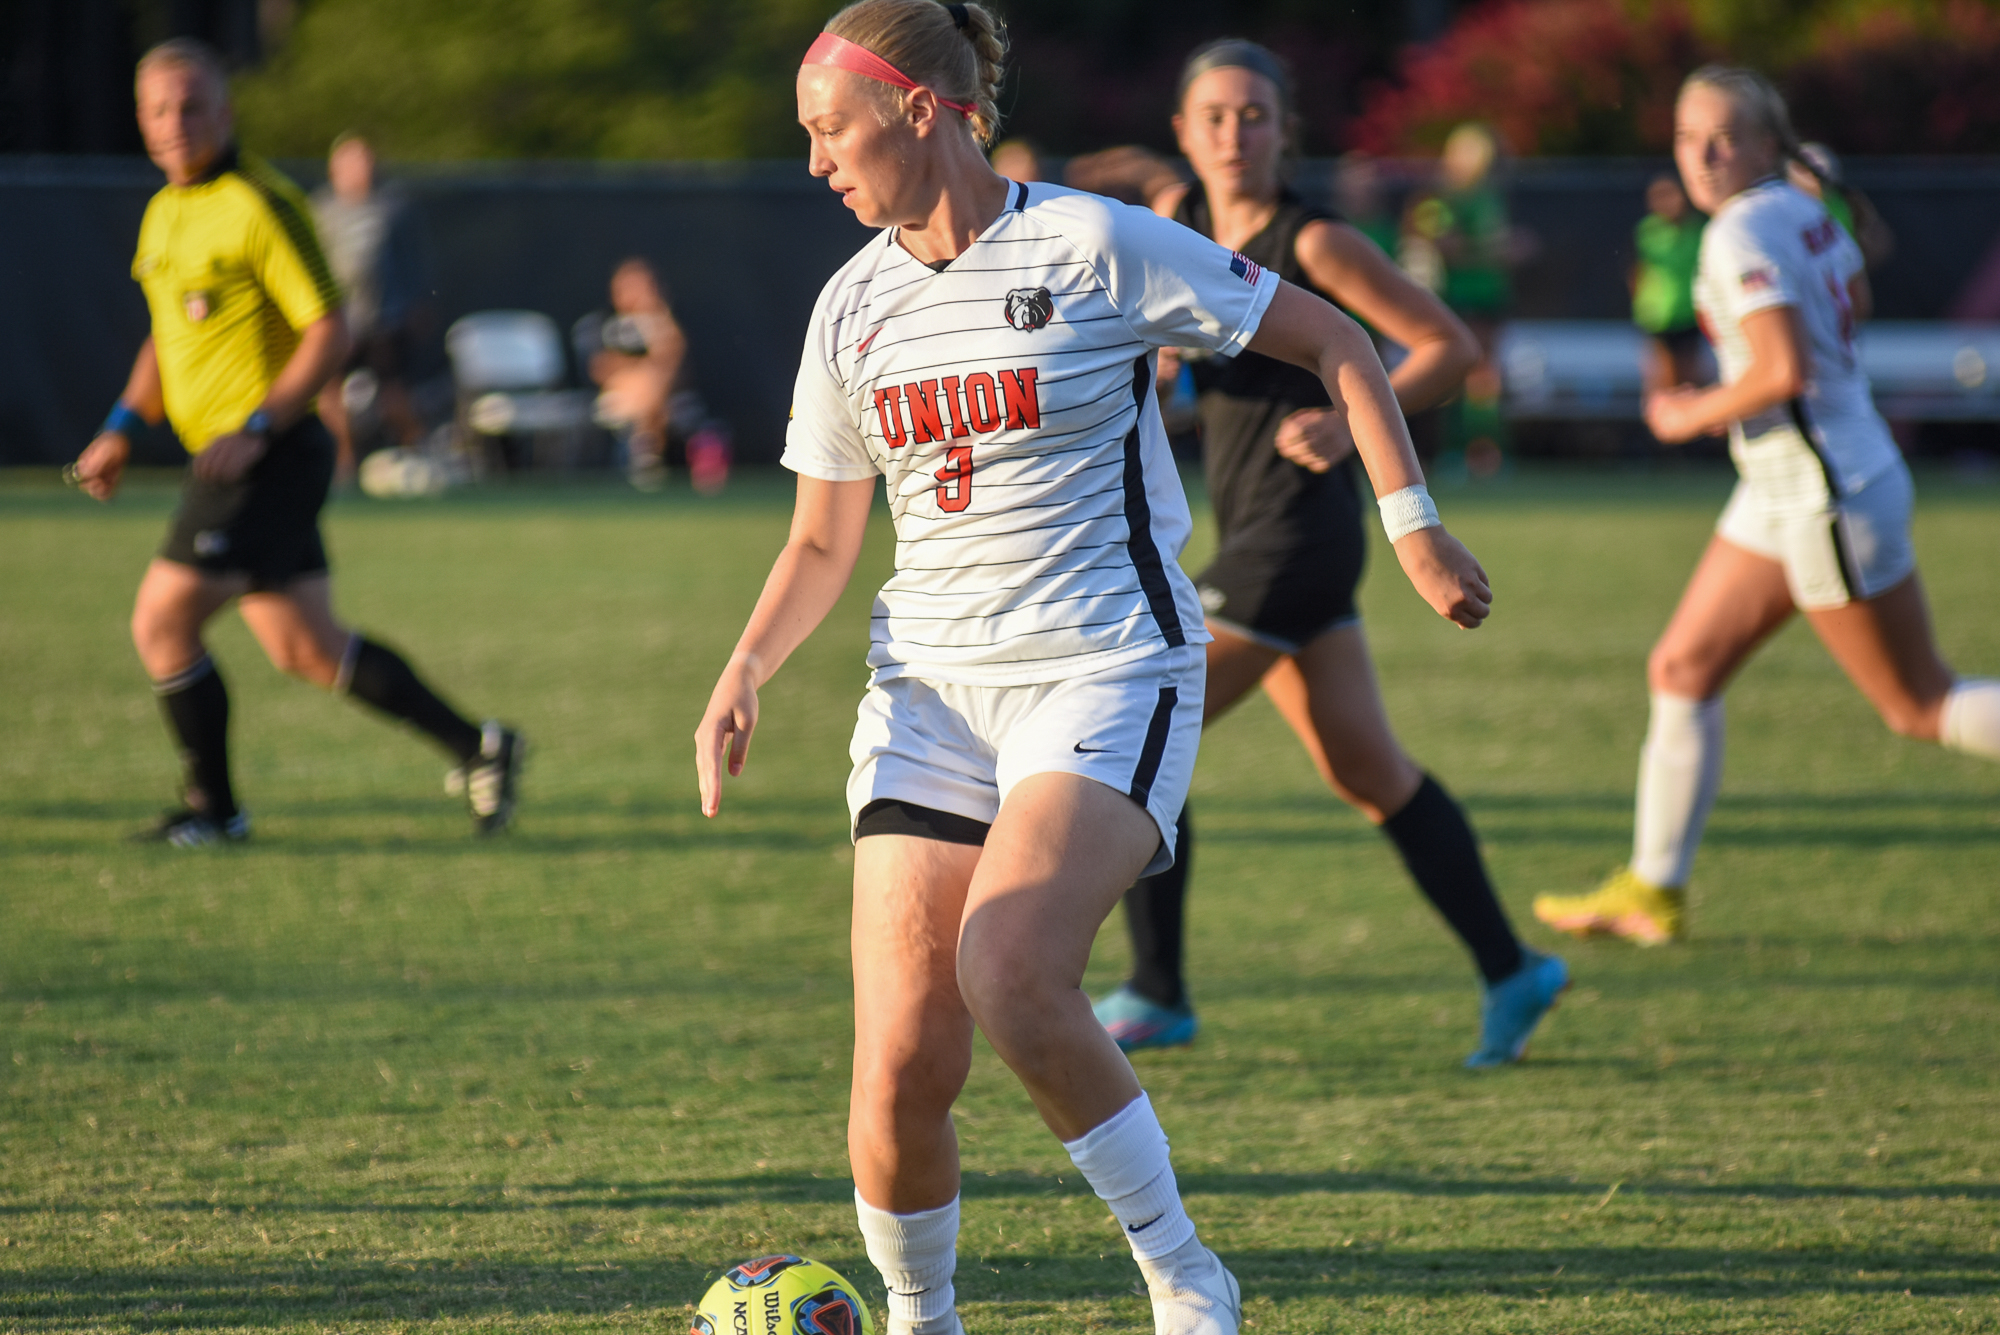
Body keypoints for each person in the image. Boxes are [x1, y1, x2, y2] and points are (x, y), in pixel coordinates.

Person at [693, 4, 1491, 1333]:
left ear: (921, 110)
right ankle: (919, 1315)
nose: (817, 162)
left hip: (1106, 668)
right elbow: (824, 535)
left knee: (1010, 965)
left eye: (829, 128)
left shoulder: (1092, 242)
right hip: (929, 697)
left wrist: (1414, 529)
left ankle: (1185, 1276)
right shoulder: (850, 308)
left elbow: (1342, 346)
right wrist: (745, 666)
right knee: (897, 1064)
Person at [1087, 38, 1566, 1071]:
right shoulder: (1179, 233)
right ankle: (1510, 968)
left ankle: (1158, 991)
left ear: (1284, 131)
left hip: (1299, 537)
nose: (1233, 132)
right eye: (1212, 114)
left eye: (1253, 114)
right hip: (1251, 533)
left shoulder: (1318, 243)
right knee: (1367, 770)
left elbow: (1446, 346)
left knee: (1133, 724)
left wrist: (1351, 427)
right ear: (1182, 132)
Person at [1534, 66, 2000, 946]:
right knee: (1680, 669)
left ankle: (1654, 885)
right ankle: (1652, 889)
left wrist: (1684, 413)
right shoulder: (1794, 207)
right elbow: (1854, 295)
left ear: (1764, 144)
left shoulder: (1737, 232)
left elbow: (1781, 372)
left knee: (1918, 705)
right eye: (1686, 136)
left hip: (1826, 494)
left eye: (1725, 137)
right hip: (1794, 481)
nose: (1704, 154)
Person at [67, 39, 524, 846]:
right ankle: (479, 746)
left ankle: (215, 811)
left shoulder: (259, 202)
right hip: (240, 454)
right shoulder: (166, 210)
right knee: (307, 648)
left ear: (225, 111)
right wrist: (119, 428)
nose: (177, 122)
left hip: (261, 456)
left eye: (193, 105)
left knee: (161, 623)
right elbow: (164, 340)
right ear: (141, 120)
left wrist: (254, 426)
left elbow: (329, 329)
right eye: (160, 109)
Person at [1402, 123, 1525, 476]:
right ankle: (1451, 454)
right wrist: (1498, 250)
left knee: (1487, 380)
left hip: (1491, 297)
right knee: (1455, 378)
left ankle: (1486, 456)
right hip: (1456, 299)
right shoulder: (1438, 199)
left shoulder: (1490, 196)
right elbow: (1446, 247)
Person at [309, 132, 431, 482]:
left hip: (386, 319)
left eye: (364, 160)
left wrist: (416, 304)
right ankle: (343, 461)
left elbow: (413, 261)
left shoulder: (392, 206)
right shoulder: (322, 209)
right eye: (349, 162)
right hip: (340, 319)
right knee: (329, 390)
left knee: (393, 392)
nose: (358, 168)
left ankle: (415, 450)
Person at [574, 257, 690, 490]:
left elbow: (675, 361)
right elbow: (599, 369)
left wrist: (656, 319)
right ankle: (646, 452)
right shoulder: (603, 324)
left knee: (654, 382)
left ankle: (644, 450)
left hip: (657, 399)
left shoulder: (661, 323)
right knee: (650, 381)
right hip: (617, 396)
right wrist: (639, 367)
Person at [1631, 173, 1708, 393]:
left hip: (1690, 316)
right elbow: (1636, 271)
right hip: (1657, 318)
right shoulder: (1646, 231)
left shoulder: (1699, 230)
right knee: (1663, 380)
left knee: (1690, 380)